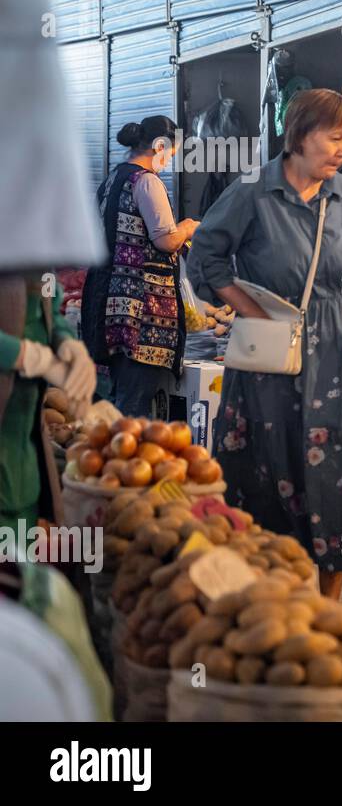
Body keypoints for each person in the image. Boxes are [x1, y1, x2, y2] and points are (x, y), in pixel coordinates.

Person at [189, 89, 342, 600]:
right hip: (274, 355)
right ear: (298, 135)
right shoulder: (253, 190)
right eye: (334, 137)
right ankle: (268, 600)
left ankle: (329, 609)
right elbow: (206, 255)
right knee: (265, 471)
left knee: (337, 477)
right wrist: (252, 312)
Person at [81, 116, 198, 419]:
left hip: (112, 308)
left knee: (125, 398)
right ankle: (125, 464)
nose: (168, 161)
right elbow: (166, 241)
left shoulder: (111, 180)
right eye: (170, 154)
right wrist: (188, 227)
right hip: (141, 315)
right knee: (135, 407)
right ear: (160, 146)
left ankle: (118, 458)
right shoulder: (146, 181)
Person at [0, 277, 95, 532]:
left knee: (22, 554)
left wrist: (65, 341)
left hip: (24, 450)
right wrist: (26, 357)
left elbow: (50, 305)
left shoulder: (42, 260)